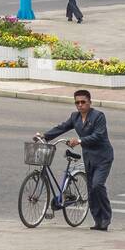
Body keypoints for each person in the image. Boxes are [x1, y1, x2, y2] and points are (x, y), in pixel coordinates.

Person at [37, 89, 113, 231]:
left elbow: (98, 135)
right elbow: (62, 127)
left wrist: (79, 140)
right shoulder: (75, 117)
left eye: (83, 102)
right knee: (91, 189)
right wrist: (45, 136)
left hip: (103, 157)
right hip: (89, 157)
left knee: (98, 185)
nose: (80, 105)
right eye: (77, 102)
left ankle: (106, 218)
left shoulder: (98, 116)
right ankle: (98, 221)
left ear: (90, 102)